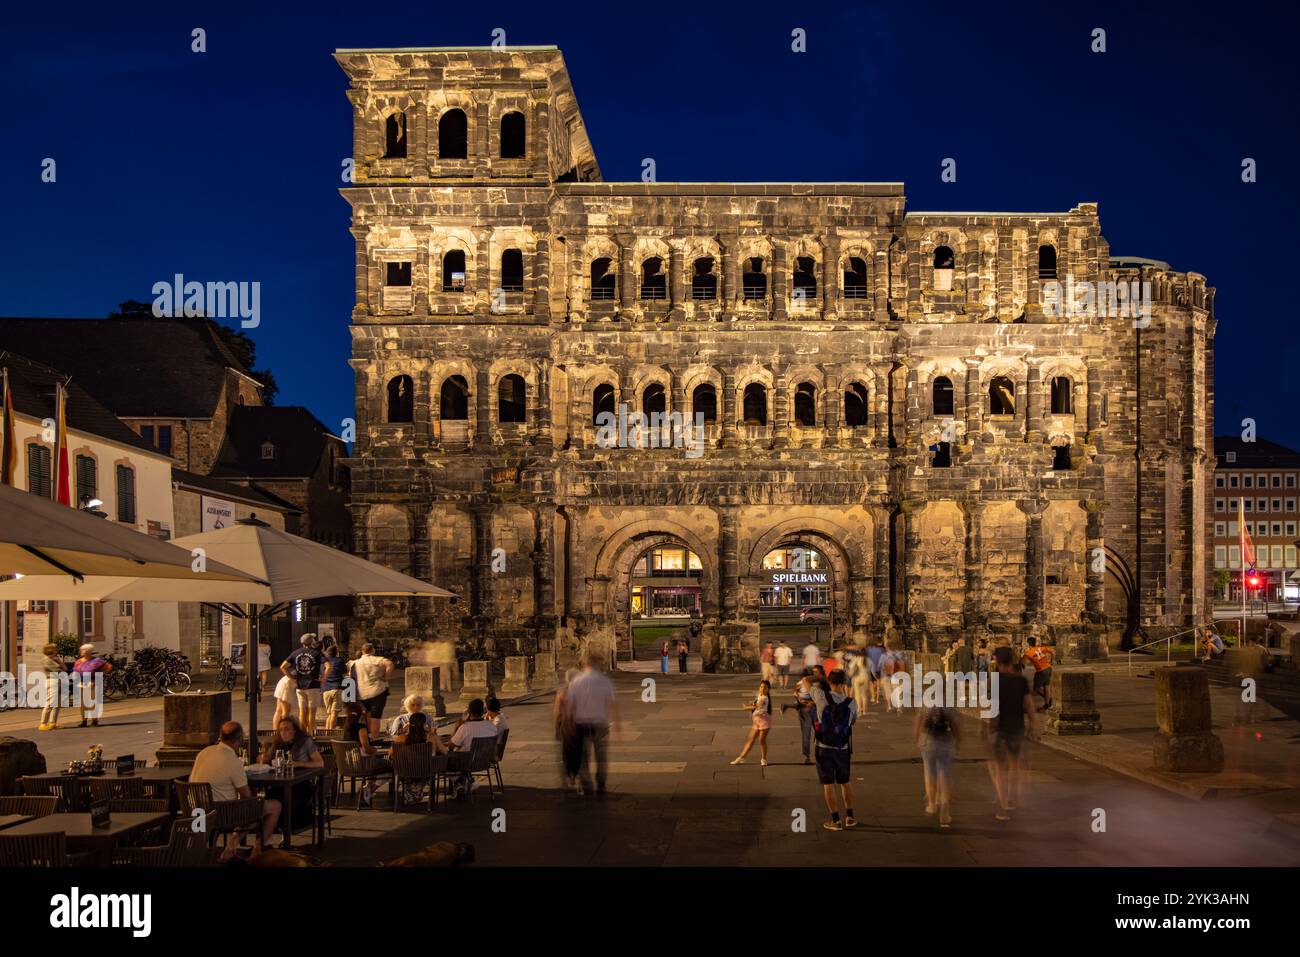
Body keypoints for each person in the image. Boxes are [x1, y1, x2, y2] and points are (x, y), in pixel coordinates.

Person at [191, 721, 281, 860]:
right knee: (272, 806)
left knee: (251, 807)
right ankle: (256, 851)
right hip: (222, 814)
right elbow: (246, 795)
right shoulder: (232, 761)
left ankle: (232, 845)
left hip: (198, 810)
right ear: (239, 739)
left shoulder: (204, 752)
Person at [986, 646, 1036, 821]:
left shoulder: (995, 681)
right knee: (1015, 766)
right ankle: (1014, 799)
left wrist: (986, 726)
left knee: (999, 768)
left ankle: (1003, 805)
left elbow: (989, 707)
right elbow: (1030, 706)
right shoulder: (1021, 681)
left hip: (999, 727)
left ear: (998, 662)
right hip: (1017, 726)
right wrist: (1033, 726)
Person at [561, 648, 620, 796]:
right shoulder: (605, 681)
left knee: (584, 757)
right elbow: (612, 704)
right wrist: (617, 724)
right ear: (597, 664)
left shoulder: (576, 681)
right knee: (601, 756)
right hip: (600, 723)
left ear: (585, 663)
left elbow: (569, 706)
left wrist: (567, 724)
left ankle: (586, 784)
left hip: (581, 724)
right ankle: (601, 783)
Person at [811, 669, 858, 830]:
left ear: (830, 682)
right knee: (845, 782)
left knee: (828, 783)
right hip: (842, 748)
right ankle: (850, 817)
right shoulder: (852, 702)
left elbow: (805, 681)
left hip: (823, 747)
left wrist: (821, 677)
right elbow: (853, 722)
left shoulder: (820, 696)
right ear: (844, 683)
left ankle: (835, 820)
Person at [915, 701, 959, 828]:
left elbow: (919, 722)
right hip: (945, 741)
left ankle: (931, 804)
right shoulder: (949, 705)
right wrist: (958, 740)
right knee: (945, 774)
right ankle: (945, 809)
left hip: (928, 741)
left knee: (929, 772)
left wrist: (917, 738)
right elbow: (955, 725)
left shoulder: (925, 704)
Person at [447, 698, 500, 797]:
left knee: (446, 760)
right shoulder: (491, 725)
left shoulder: (465, 728)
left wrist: (457, 726)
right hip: (485, 761)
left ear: (469, 712)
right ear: (483, 711)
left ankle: (462, 781)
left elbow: (451, 745)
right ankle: (463, 782)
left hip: (467, 761)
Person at [342, 703, 391, 807]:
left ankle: (368, 788)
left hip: (347, 764)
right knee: (390, 766)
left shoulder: (345, 729)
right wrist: (376, 751)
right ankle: (369, 789)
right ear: (360, 714)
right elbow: (366, 748)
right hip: (362, 764)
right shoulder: (361, 728)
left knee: (375, 764)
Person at [348, 642, 395, 737]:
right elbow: (389, 664)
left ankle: (368, 735)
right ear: (373, 650)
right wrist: (386, 676)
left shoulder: (355, 662)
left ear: (362, 651)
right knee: (376, 716)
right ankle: (375, 736)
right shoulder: (377, 660)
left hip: (362, 693)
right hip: (377, 692)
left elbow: (348, 669)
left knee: (367, 714)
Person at [280, 635, 324, 735]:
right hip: (313, 686)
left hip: (300, 687)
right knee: (312, 714)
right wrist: (323, 678)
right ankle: (311, 735)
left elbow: (283, 667)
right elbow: (328, 665)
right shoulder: (317, 653)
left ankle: (302, 734)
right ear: (312, 642)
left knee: (302, 712)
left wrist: (292, 677)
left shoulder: (296, 652)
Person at [730, 678, 773, 766]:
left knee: (762, 740)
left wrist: (745, 707)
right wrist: (749, 705)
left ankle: (764, 759)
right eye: (761, 687)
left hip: (764, 721)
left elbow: (755, 707)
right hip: (757, 720)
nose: (763, 689)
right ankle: (742, 757)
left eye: (765, 687)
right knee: (750, 739)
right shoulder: (759, 696)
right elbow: (754, 705)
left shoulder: (764, 698)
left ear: (768, 689)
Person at [781, 667, 818, 765]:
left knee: (806, 734)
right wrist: (811, 703)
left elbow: (795, 694)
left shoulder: (799, 684)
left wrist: (802, 702)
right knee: (819, 733)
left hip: (804, 709)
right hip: (815, 710)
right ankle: (819, 754)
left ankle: (807, 757)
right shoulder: (816, 684)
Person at [554, 668, 583, 791]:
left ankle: (569, 775)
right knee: (578, 751)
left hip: (565, 725)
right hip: (578, 725)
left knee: (566, 752)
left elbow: (557, 712)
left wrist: (556, 727)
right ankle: (575, 774)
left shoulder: (562, 692)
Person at [72, 644, 111, 728]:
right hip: (81, 684)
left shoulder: (96, 660)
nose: (81, 652)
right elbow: (75, 671)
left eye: (83, 650)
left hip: (92, 683)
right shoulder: (78, 661)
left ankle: (94, 720)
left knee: (92, 702)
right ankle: (84, 720)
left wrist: (100, 675)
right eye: (81, 650)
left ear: (88, 652)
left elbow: (108, 667)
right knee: (82, 704)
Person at [37, 643, 65, 731]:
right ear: (51, 650)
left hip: (57, 681)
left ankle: (53, 722)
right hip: (51, 681)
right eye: (55, 649)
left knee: (57, 704)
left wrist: (59, 661)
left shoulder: (54, 659)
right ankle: (43, 723)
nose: (57, 650)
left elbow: (64, 668)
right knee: (50, 702)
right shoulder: (46, 660)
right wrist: (59, 665)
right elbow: (59, 670)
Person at [1022, 637, 1055, 709]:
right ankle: (1047, 705)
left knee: (1036, 689)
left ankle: (1048, 699)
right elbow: (1052, 651)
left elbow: (1024, 663)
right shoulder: (1040, 648)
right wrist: (1052, 661)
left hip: (1041, 671)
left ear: (1028, 644)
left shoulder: (1028, 653)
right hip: (1049, 668)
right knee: (1046, 686)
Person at [319, 641, 345, 732]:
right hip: (336, 689)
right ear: (336, 652)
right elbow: (345, 672)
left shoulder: (323, 663)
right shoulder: (339, 660)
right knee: (334, 714)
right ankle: (331, 733)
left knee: (329, 714)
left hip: (325, 690)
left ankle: (327, 732)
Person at [866, 639, 885, 705]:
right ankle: (877, 694)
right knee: (878, 681)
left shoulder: (867, 650)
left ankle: (873, 696)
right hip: (879, 667)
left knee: (871, 682)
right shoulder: (881, 650)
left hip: (871, 667)